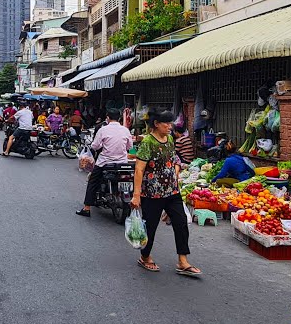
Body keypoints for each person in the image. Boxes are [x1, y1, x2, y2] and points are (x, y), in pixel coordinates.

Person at [131, 110, 200, 277]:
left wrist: (175, 172)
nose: (170, 127)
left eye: (170, 124)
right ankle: (145, 256)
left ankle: (182, 261)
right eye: (166, 124)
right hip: (152, 194)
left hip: (172, 191)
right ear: (156, 124)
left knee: (181, 222)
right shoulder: (148, 142)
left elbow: (174, 158)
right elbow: (139, 169)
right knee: (151, 227)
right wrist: (136, 195)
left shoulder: (169, 139)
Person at [77, 109, 134, 217]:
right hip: (122, 162)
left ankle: (86, 208)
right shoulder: (125, 130)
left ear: (107, 118)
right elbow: (130, 147)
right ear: (119, 118)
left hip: (105, 162)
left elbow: (95, 146)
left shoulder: (103, 130)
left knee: (92, 181)